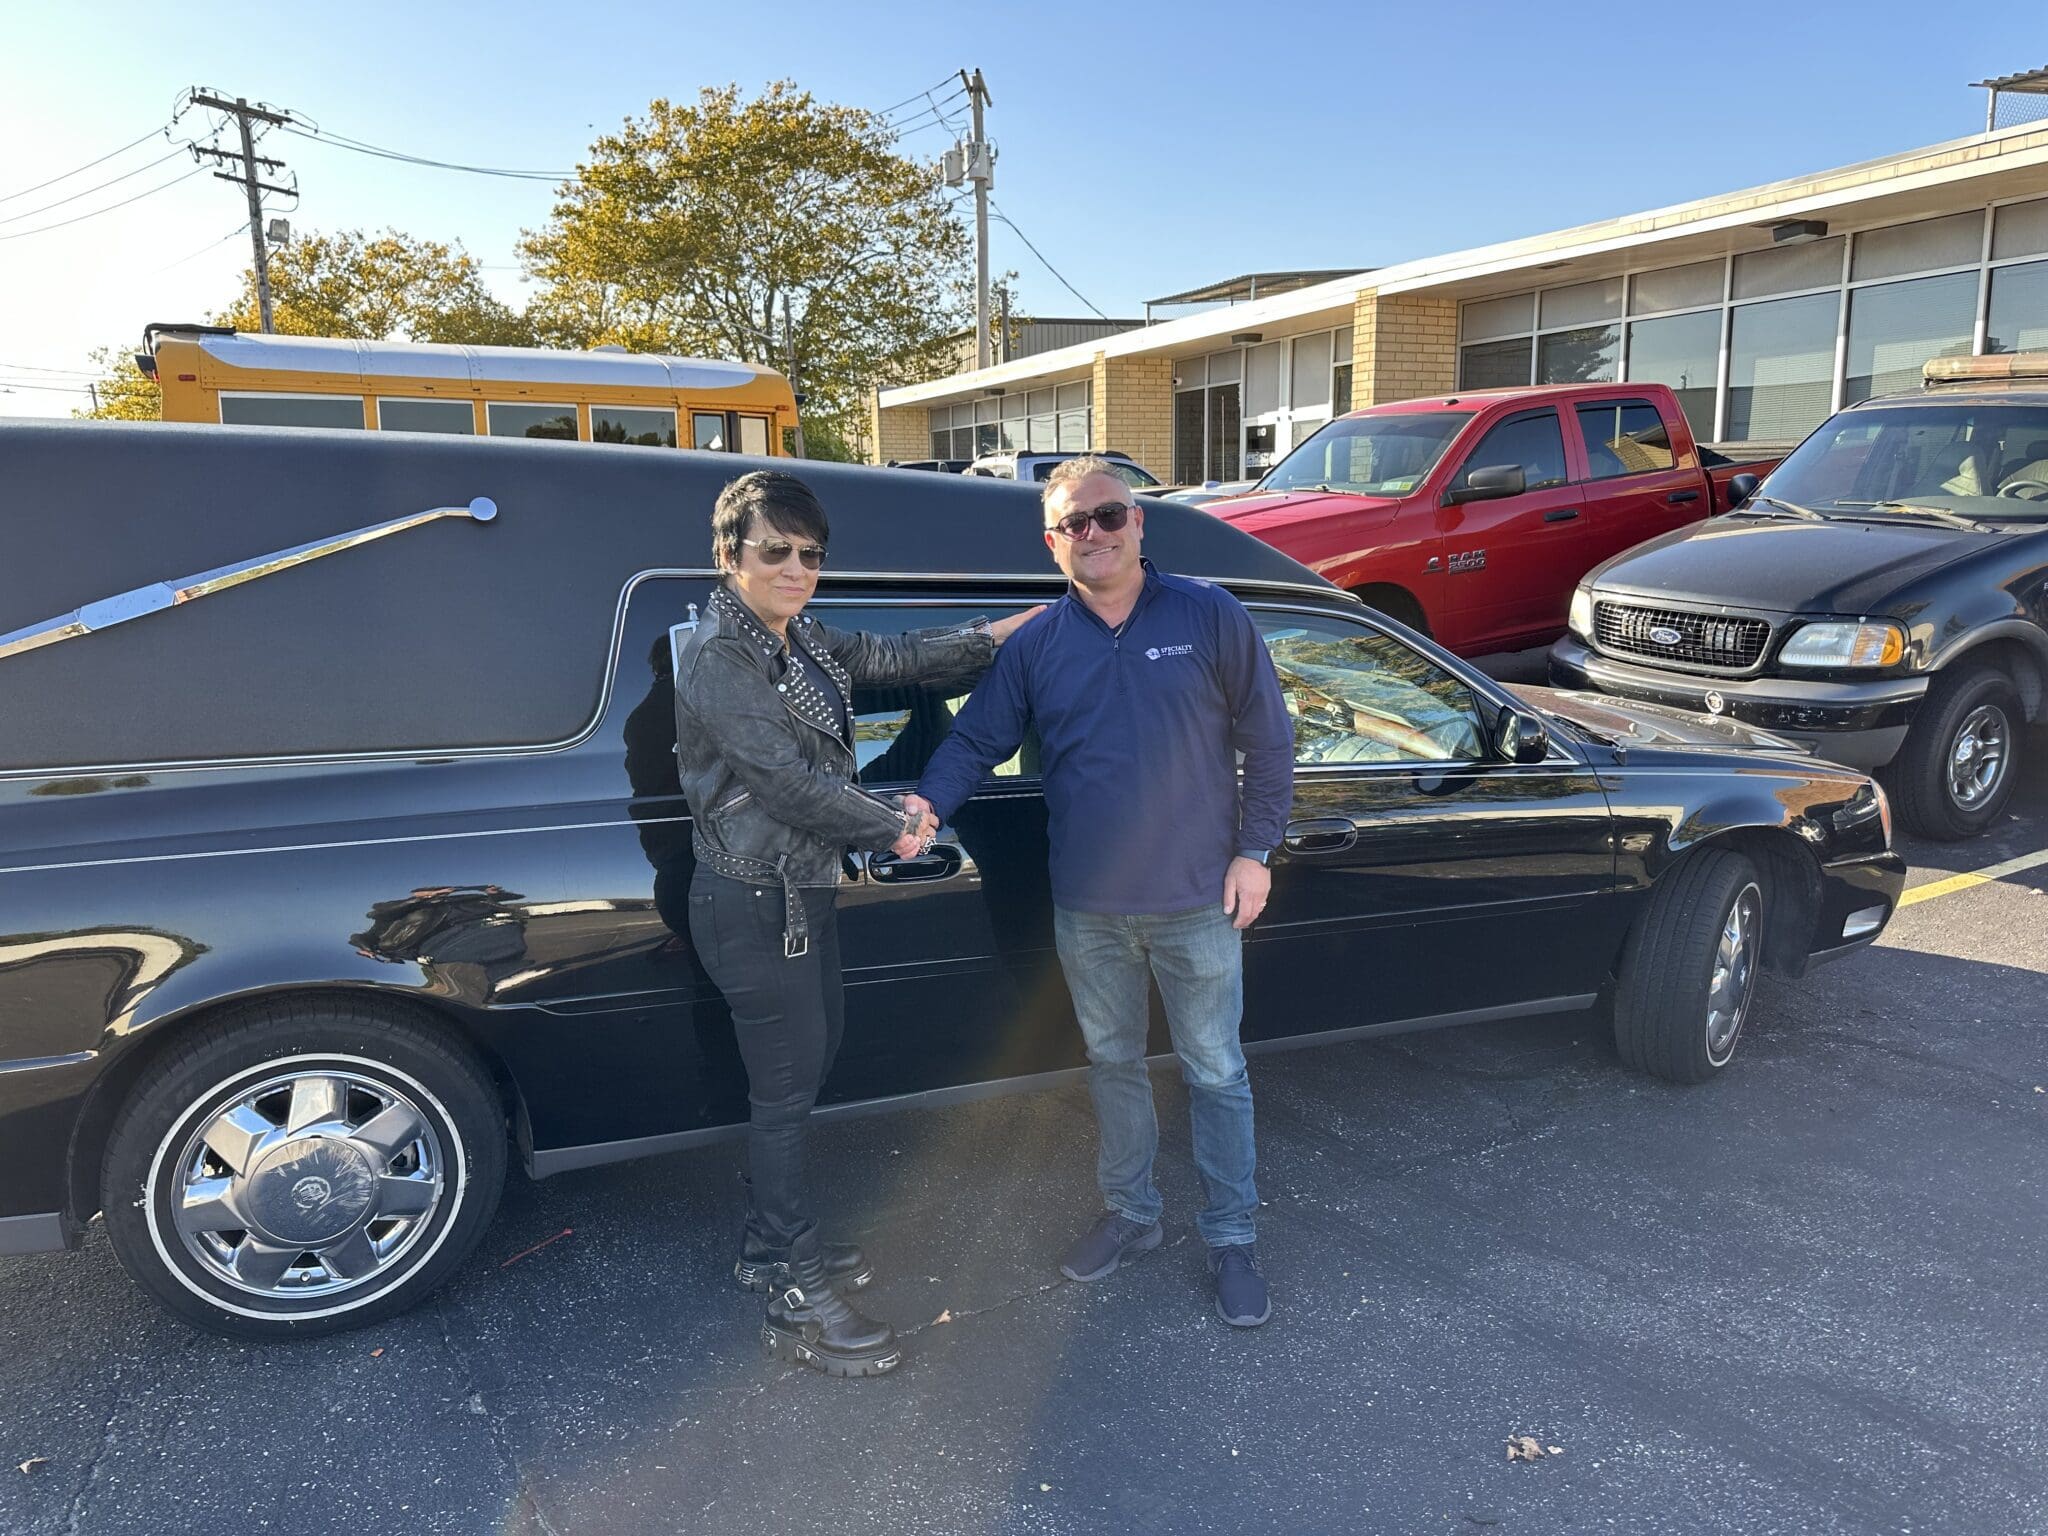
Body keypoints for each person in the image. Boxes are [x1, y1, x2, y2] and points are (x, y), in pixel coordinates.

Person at [910, 456, 1294, 1328]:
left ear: (1139, 523)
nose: (1094, 534)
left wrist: (1255, 851)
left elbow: (1270, 741)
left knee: (1215, 1071)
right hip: (1089, 910)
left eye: (1109, 516)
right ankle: (1133, 1215)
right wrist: (927, 803)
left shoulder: (1209, 614)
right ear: (1054, 543)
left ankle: (1232, 1236)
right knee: (1113, 1065)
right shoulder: (1041, 642)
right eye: (1074, 525)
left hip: (1199, 899)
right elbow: (975, 741)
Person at [673, 469, 1040, 1377]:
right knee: (786, 1095)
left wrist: (1008, 632)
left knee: (809, 1069)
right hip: (756, 902)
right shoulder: (721, 653)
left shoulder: (795, 638)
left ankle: (770, 1245)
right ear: (730, 557)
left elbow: (892, 659)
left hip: (798, 893)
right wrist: (900, 826)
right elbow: (784, 782)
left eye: (810, 555)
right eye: (775, 553)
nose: (797, 569)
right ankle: (794, 1287)